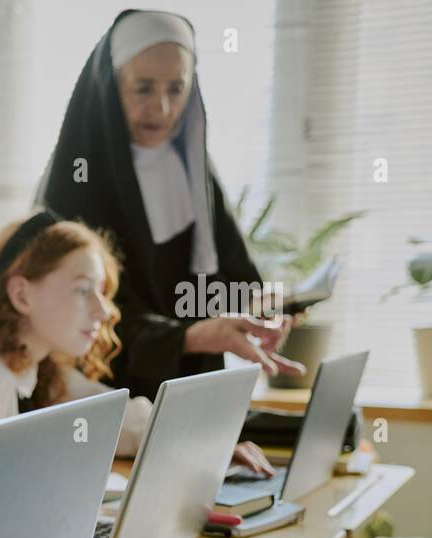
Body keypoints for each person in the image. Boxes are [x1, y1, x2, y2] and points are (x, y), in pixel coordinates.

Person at [36, 8, 304, 402]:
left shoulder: (193, 173)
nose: (161, 108)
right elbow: (75, 316)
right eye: (143, 88)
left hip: (190, 392)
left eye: (175, 89)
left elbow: (227, 280)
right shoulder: (77, 182)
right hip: (106, 399)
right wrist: (186, 337)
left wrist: (259, 312)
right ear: (112, 86)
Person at [0, 209, 273, 474]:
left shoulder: (36, 368)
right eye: (82, 291)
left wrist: (208, 445)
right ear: (22, 296)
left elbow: (118, 417)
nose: (105, 312)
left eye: (102, 292)